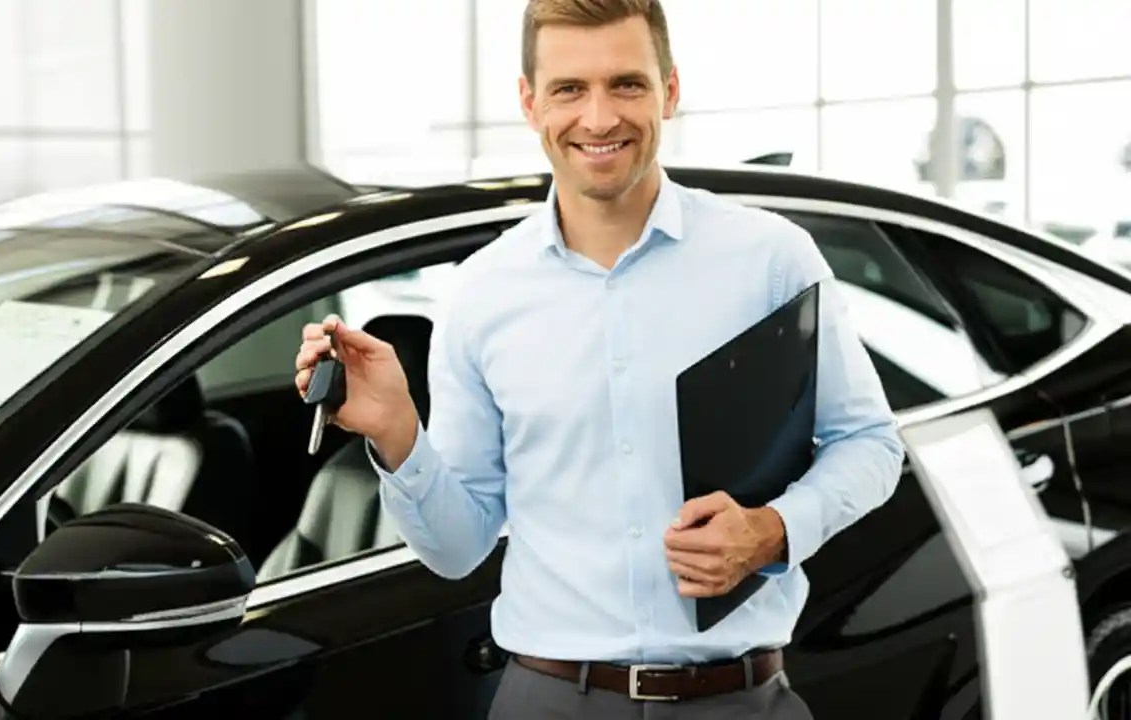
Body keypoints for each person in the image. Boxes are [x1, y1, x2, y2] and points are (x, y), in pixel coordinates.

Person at [294, 0, 904, 717]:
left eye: (626, 84)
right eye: (569, 89)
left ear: (669, 90)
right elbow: (458, 549)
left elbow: (870, 443)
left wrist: (774, 530)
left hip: (741, 699)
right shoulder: (481, 294)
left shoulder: (769, 259)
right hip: (549, 699)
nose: (599, 117)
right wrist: (397, 432)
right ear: (530, 103)